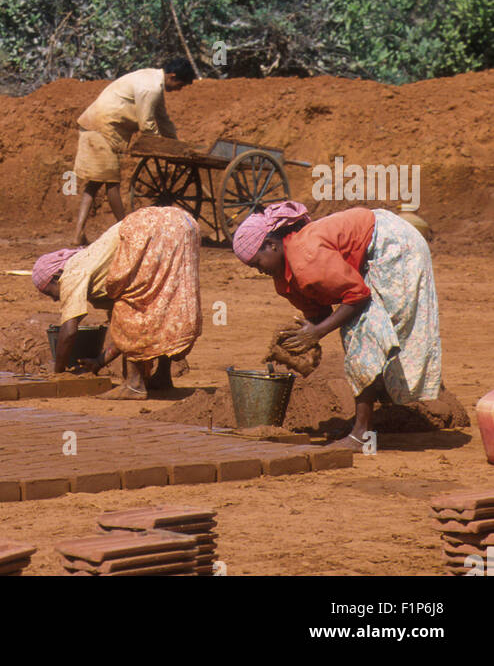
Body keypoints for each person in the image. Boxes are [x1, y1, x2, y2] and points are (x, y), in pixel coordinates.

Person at [232, 200, 442, 450]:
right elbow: (319, 313)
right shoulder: (285, 278)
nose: (258, 271)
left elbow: (356, 296)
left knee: (362, 332)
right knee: (360, 332)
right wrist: (301, 341)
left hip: (394, 246)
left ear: (272, 245)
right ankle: (365, 422)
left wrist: (317, 332)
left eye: (257, 263)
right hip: (369, 254)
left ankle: (362, 432)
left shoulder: (306, 257)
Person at [32, 204, 202, 400]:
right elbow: (122, 335)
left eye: (50, 292)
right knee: (162, 300)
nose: (55, 299)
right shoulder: (96, 261)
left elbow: (69, 331)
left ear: (55, 277)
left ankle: (134, 385)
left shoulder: (72, 272)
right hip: (180, 221)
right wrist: (99, 362)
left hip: (147, 228)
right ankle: (163, 376)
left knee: (133, 307)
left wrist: (58, 374)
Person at [70, 57, 196, 246]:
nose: (179, 89)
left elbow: (162, 118)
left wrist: (176, 144)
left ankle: (78, 234)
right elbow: (147, 123)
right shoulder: (151, 88)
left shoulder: (154, 82)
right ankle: (128, 230)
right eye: (180, 84)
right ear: (173, 76)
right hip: (101, 128)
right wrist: (162, 144)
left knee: (95, 183)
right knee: (112, 182)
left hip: (99, 126)